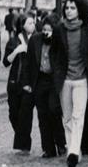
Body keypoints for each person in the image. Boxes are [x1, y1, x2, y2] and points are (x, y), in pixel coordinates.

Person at [52, 0, 88, 167]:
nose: (69, 11)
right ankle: (74, 148)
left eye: (73, 8)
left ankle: (72, 151)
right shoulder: (59, 30)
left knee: (78, 115)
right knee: (67, 117)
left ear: (80, 9)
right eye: (67, 8)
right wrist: (57, 72)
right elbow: (54, 53)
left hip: (82, 80)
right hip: (64, 80)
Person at [25, 14, 67, 158]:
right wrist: (28, 83)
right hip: (40, 80)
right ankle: (48, 148)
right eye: (44, 30)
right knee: (42, 115)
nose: (46, 33)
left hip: (54, 81)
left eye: (49, 30)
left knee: (54, 110)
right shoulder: (35, 40)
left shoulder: (59, 42)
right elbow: (29, 63)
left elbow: (63, 63)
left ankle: (61, 143)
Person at [4, 13, 36, 154]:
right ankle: (21, 137)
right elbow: (6, 62)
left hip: (28, 83)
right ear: (22, 25)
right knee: (13, 114)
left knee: (25, 114)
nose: (33, 25)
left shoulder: (36, 40)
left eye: (33, 23)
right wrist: (16, 51)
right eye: (29, 23)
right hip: (14, 82)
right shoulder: (13, 41)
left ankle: (24, 144)